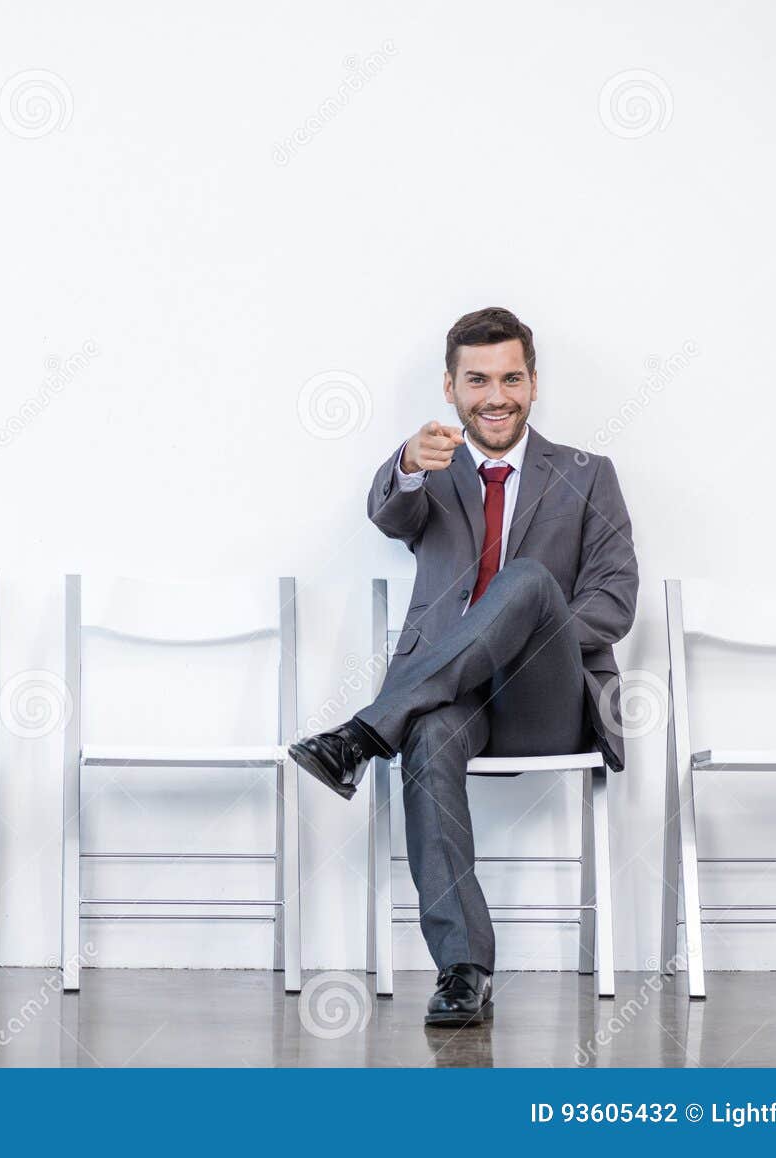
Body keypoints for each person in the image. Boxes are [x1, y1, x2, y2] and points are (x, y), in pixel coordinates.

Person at [288, 306, 638, 1027]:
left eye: (511, 377)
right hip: (451, 706)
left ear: (534, 384)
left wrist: (529, 622)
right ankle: (463, 970)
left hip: (547, 699)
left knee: (530, 581)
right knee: (427, 735)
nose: (496, 395)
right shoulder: (435, 474)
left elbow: (614, 601)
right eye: (477, 380)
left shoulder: (587, 474)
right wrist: (408, 465)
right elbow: (388, 514)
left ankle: (359, 734)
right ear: (451, 389)